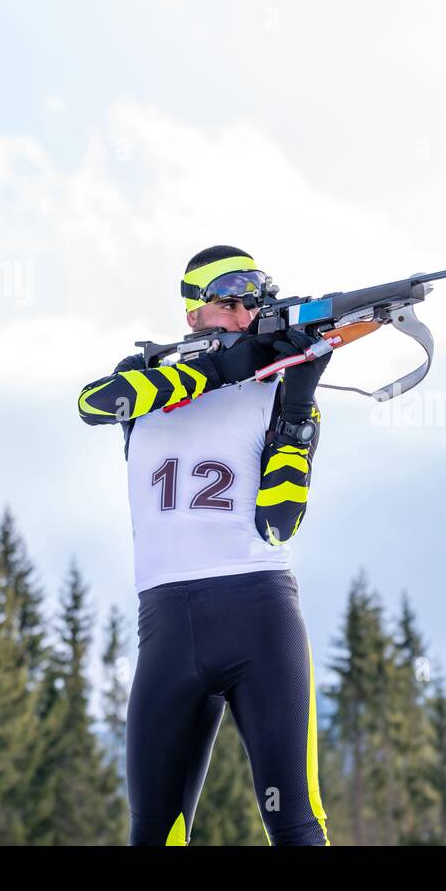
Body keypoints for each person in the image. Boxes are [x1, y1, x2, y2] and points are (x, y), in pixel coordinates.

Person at [77, 244, 332, 845]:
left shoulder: (277, 393)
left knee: (295, 823)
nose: (245, 316)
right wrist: (220, 370)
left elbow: (280, 521)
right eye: (230, 301)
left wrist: (297, 404)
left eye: (255, 304)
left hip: (258, 614)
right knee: (155, 834)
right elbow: (93, 403)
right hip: (166, 627)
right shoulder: (148, 382)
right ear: (194, 312)